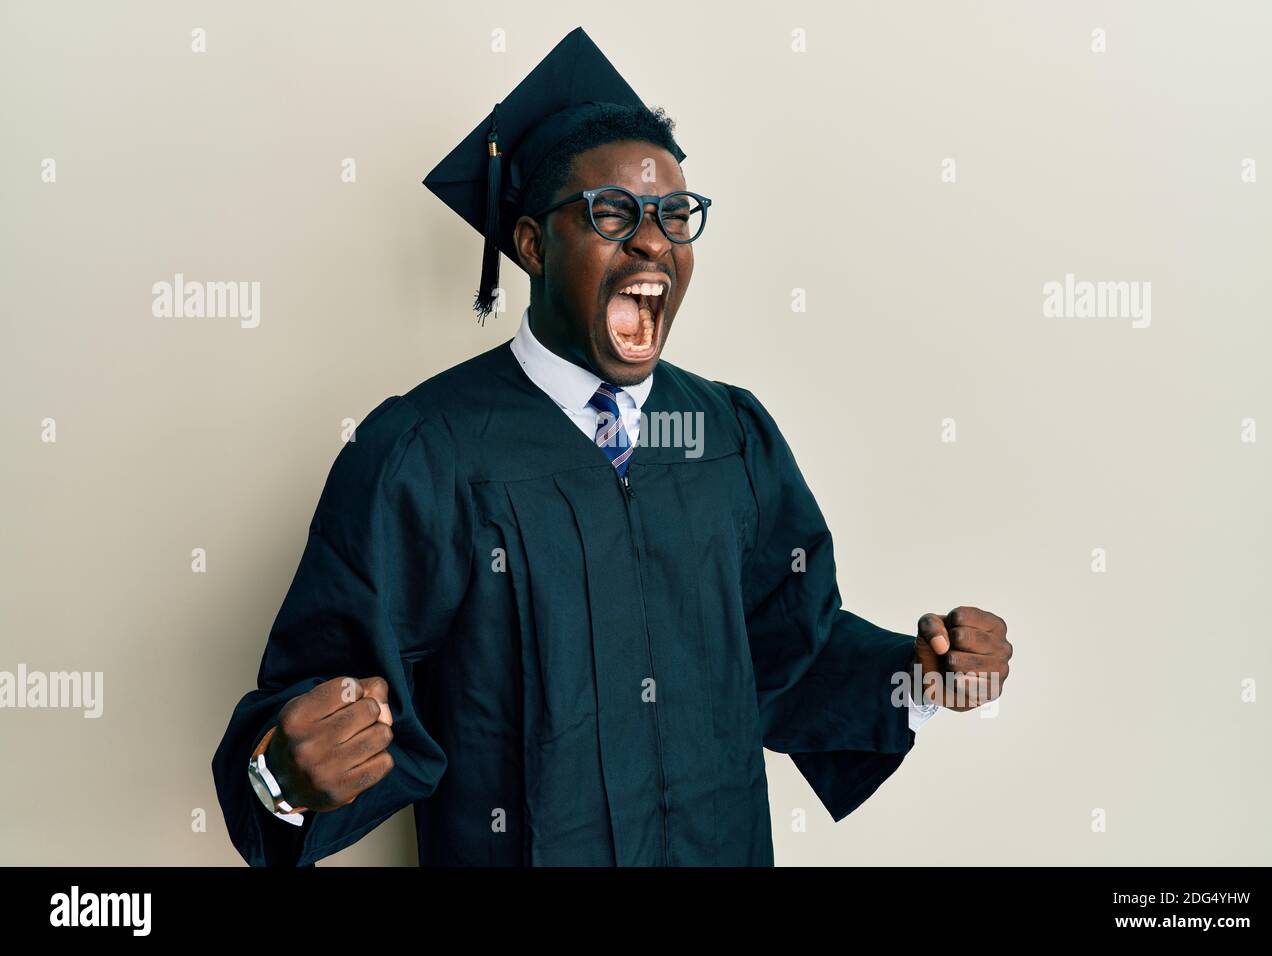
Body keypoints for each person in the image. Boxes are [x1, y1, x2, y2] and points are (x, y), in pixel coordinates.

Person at [212, 26, 1012, 867]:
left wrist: (920, 677)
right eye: (613, 213)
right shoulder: (429, 450)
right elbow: (331, 706)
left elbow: (789, 656)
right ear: (531, 246)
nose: (654, 239)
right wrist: (284, 779)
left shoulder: (728, 433)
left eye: (675, 215)